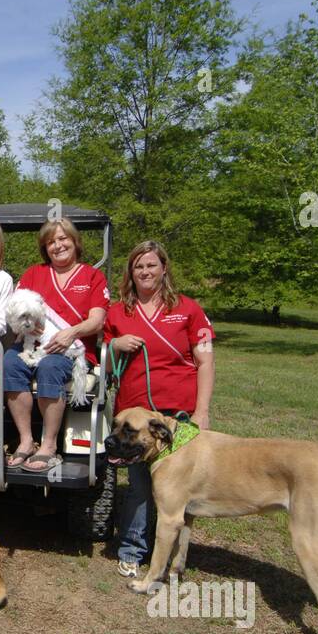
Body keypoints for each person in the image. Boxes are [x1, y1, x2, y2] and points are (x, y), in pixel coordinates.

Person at [102, 240, 216, 578]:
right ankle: (133, 549)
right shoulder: (117, 312)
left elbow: (205, 361)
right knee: (140, 486)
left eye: (151, 265)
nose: (145, 271)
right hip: (133, 417)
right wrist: (114, 346)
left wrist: (202, 410)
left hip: (178, 413)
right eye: (138, 266)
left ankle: (176, 557)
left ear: (163, 268)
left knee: (181, 487)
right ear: (131, 272)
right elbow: (105, 366)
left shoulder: (189, 309)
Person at [3, 217, 109, 473]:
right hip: (33, 342)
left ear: (75, 241)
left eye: (63, 239)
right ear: (45, 247)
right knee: (9, 361)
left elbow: (97, 320)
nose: (58, 245)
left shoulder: (93, 276)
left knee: (50, 366)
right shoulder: (34, 274)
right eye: (51, 241)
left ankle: (49, 445)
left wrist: (70, 333)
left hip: (72, 350)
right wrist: (27, 328)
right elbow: (16, 311)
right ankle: (26, 439)